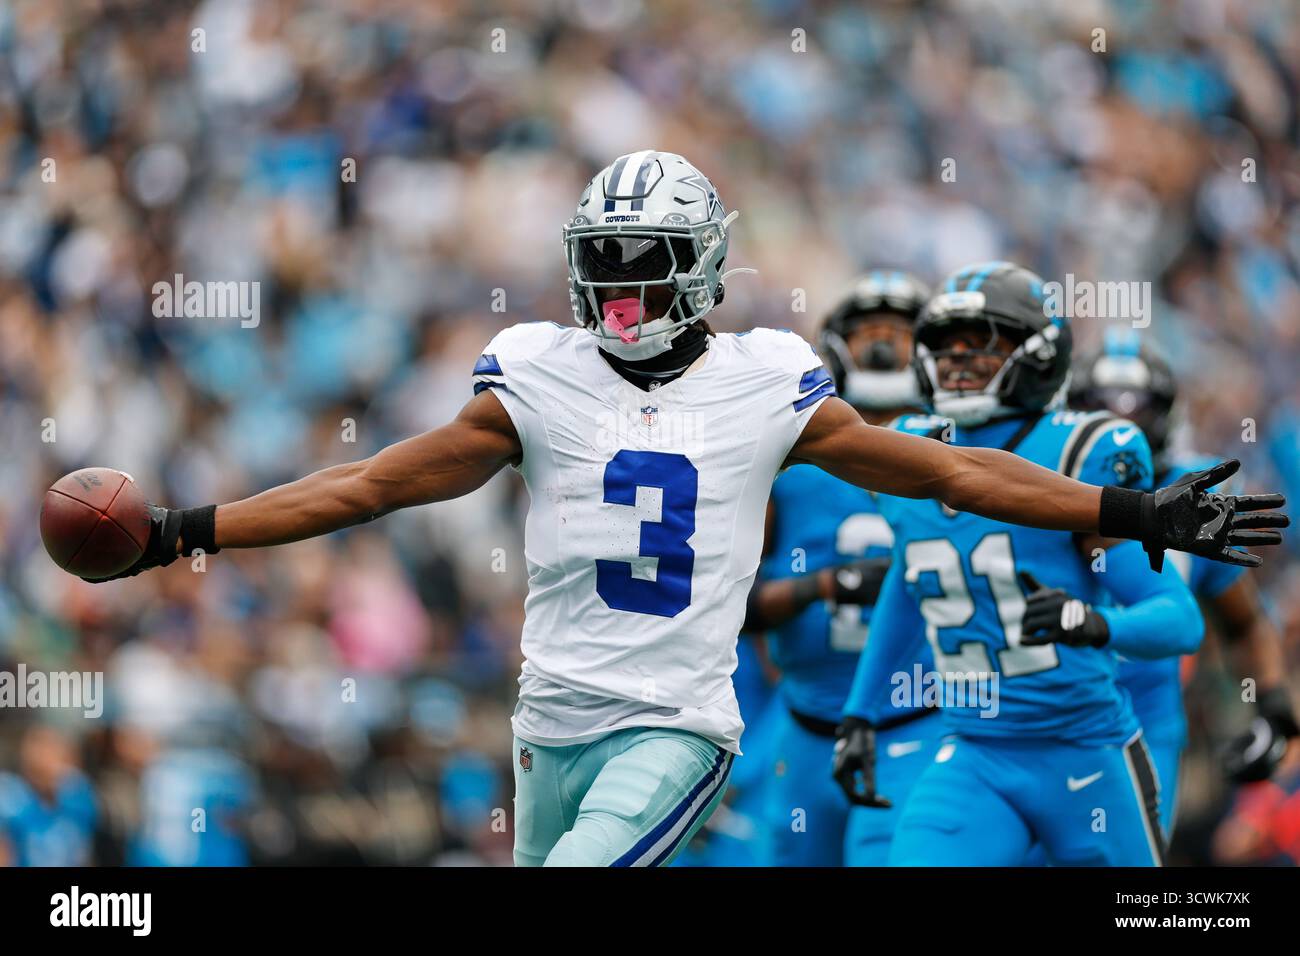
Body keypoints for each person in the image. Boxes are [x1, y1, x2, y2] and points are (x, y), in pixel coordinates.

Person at [84, 155, 1288, 867]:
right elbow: (368, 482)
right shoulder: (535, 373)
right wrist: (191, 528)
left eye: (641, 260)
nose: (615, 288)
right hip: (548, 718)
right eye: (601, 261)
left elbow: (947, 472)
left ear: (700, 264)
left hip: (678, 724)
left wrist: (1124, 508)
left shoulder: (764, 381)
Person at [836, 261, 1210, 865]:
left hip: (1086, 748)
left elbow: (1179, 617)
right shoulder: (908, 445)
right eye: (944, 345)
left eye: (980, 343)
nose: (957, 359)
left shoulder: (1085, 448)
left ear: (1038, 354)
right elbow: (911, 586)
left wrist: (1096, 626)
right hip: (973, 749)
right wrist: (860, 712)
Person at [743, 270, 944, 866]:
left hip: (915, 721)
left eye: (898, 334)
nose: (882, 347)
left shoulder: (956, 455)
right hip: (806, 723)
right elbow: (731, 603)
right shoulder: (787, 465)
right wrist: (823, 587)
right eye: (868, 334)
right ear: (837, 348)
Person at [1070, 329, 1299, 836]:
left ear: (1166, 414)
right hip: (1046, 711)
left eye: (1135, 409)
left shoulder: (1192, 498)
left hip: (1149, 718)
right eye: (1101, 409)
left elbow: (1243, 622)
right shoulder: (1042, 484)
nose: (1120, 428)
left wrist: (1275, 708)